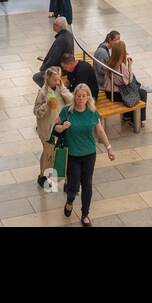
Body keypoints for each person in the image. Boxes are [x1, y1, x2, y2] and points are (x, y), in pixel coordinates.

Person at [54, 82, 115, 226]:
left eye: (84, 96)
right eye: (78, 95)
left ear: (88, 97)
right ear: (74, 96)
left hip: (89, 154)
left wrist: (109, 148)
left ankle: (85, 214)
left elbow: (100, 131)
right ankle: (70, 200)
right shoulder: (67, 111)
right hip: (73, 155)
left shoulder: (93, 112)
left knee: (87, 183)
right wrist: (62, 127)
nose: (81, 98)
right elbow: (55, 128)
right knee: (74, 185)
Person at [34, 66, 74, 187]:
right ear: (48, 79)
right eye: (54, 80)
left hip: (61, 126)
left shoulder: (61, 89)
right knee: (48, 153)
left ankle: (67, 181)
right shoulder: (42, 92)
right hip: (48, 128)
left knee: (66, 152)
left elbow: (71, 102)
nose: (57, 82)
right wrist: (47, 105)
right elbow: (36, 111)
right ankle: (43, 176)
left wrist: (62, 89)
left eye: (58, 79)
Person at [102, 38, 147, 128]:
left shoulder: (109, 62)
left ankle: (127, 116)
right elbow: (128, 81)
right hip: (117, 94)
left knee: (137, 89)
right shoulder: (121, 66)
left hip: (108, 92)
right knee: (142, 93)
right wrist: (130, 66)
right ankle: (137, 121)